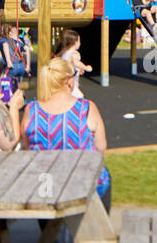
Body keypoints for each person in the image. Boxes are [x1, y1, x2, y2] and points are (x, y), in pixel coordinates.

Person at [22, 57, 111, 211]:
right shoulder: (86, 108)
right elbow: (100, 148)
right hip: (83, 184)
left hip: (45, 187)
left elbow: (27, 146)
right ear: (69, 82)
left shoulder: (32, 110)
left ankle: (48, 226)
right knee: (103, 176)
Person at [58, 28, 91, 98]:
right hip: (71, 81)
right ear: (75, 43)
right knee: (79, 97)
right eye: (79, 41)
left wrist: (79, 69)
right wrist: (86, 67)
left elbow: (72, 64)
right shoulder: (74, 54)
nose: (80, 43)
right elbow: (76, 63)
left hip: (65, 79)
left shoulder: (65, 53)